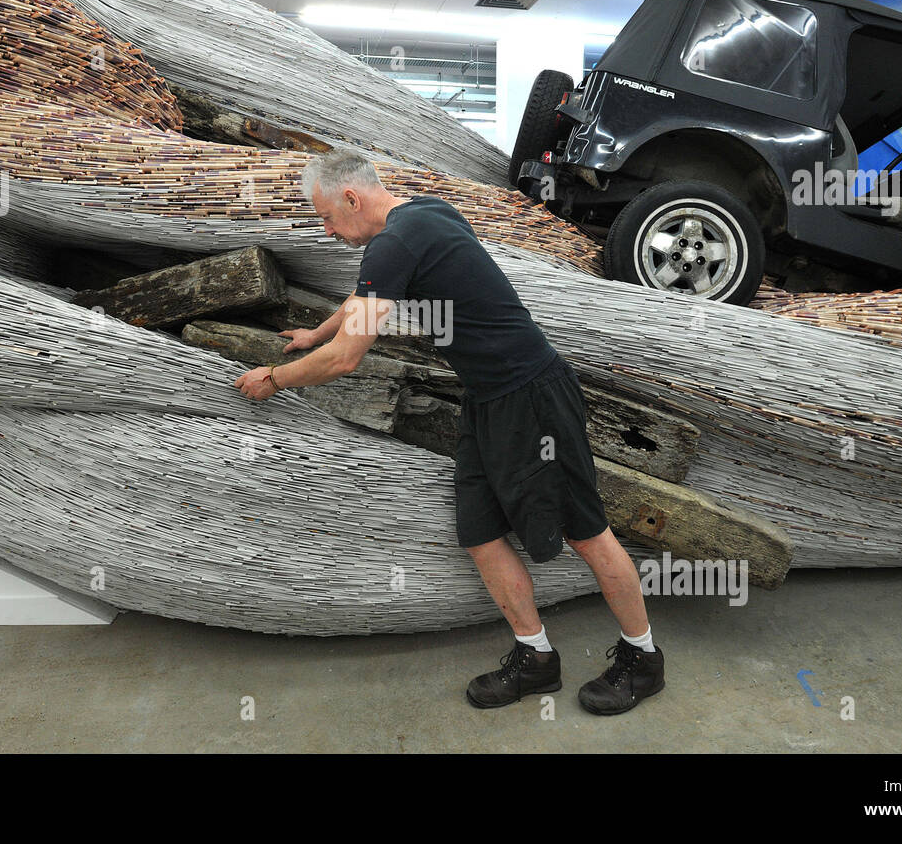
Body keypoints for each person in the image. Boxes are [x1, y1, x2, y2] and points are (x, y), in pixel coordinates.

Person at [234, 150, 664, 714]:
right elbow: (362, 300)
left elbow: (346, 360)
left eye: (328, 218)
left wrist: (274, 377)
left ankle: (643, 658)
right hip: (487, 401)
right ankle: (536, 658)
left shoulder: (395, 243)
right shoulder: (423, 214)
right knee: (480, 531)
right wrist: (315, 333)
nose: (328, 230)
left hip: (532, 398)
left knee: (585, 531)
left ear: (351, 198)